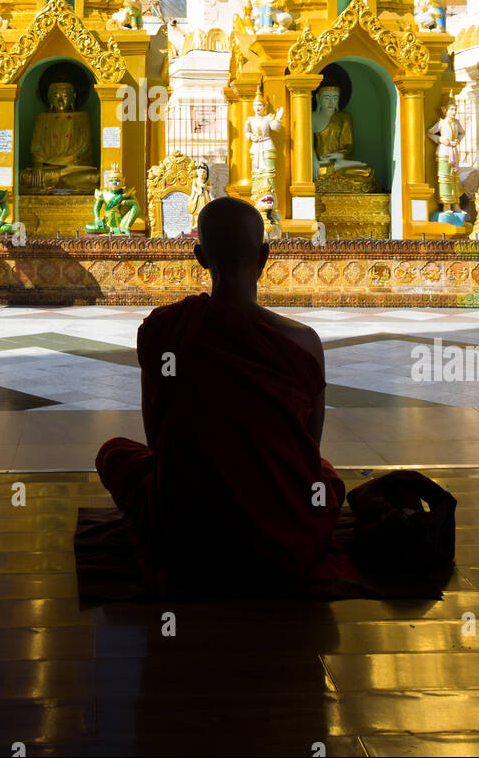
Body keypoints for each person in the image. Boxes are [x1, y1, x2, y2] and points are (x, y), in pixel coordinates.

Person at [95, 196, 346, 595]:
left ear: (199, 255)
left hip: (187, 534)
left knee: (114, 454)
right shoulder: (303, 343)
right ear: (265, 255)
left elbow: (155, 436)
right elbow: (308, 448)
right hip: (285, 539)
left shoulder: (166, 329)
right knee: (326, 476)